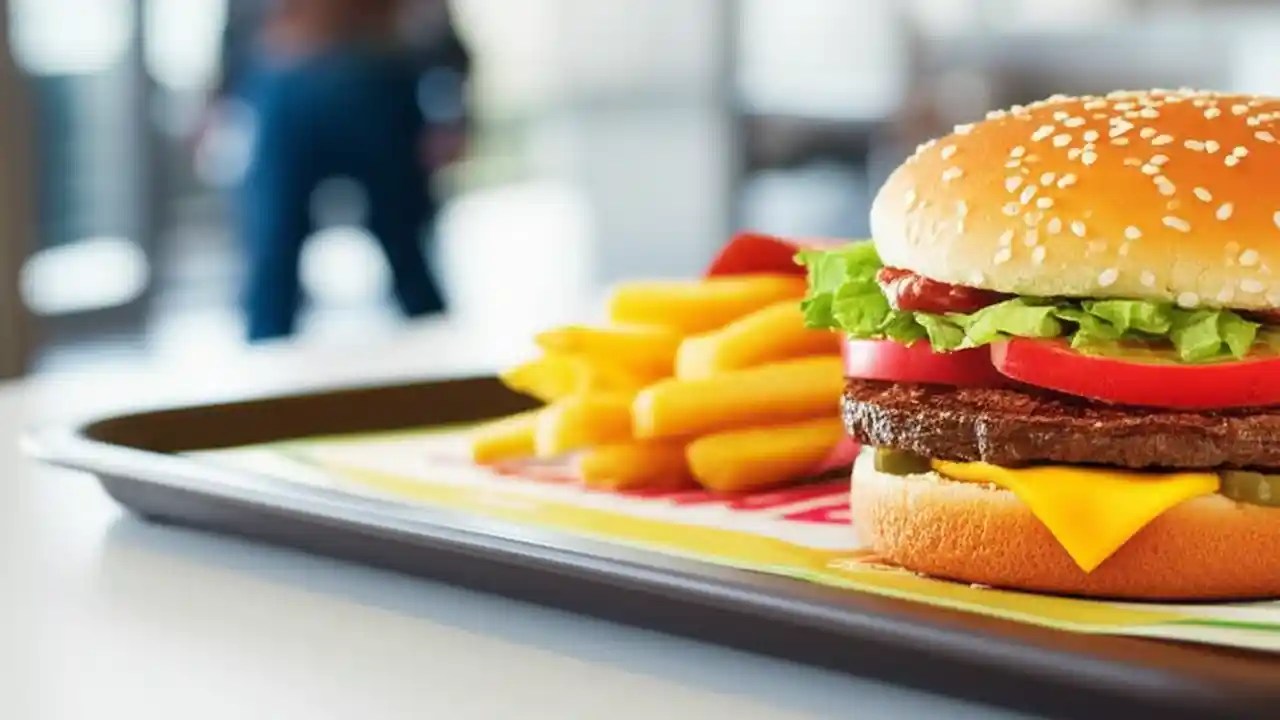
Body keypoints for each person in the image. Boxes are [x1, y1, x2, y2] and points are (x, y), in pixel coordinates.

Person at [211, 0, 470, 341]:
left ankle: (442, 367)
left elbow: (440, 33)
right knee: (273, 255)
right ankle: (266, 366)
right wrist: (216, 99)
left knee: (405, 248)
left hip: (376, 81)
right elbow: (238, 29)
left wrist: (452, 117)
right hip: (289, 84)